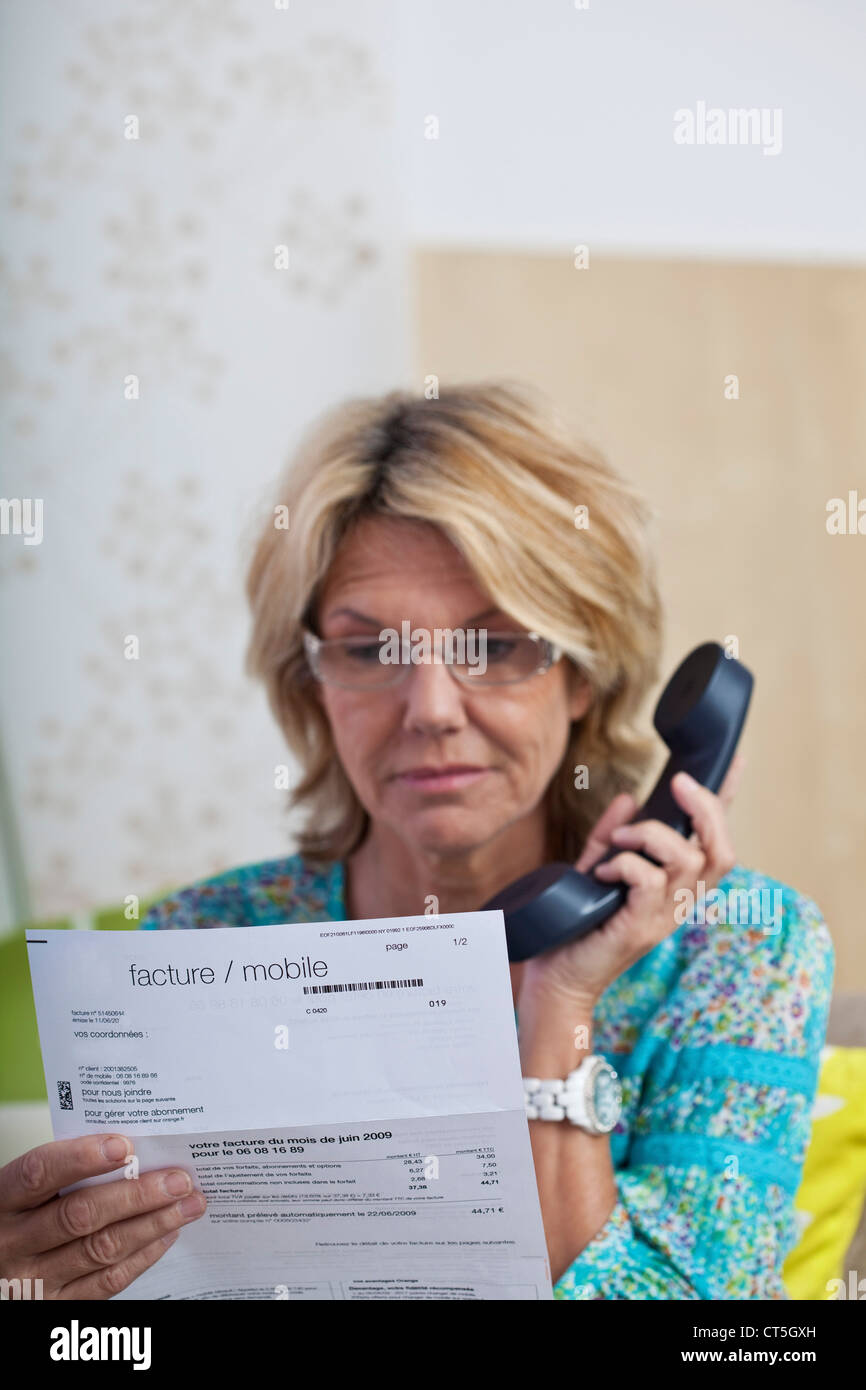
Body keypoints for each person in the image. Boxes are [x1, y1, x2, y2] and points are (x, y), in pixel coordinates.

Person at [0, 381, 834, 1300]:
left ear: (585, 675)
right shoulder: (199, 938)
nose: (431, 710)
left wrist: (558, 1009)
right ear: (311, 681)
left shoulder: (744, 945)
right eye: (368, 651)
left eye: (496, 645)